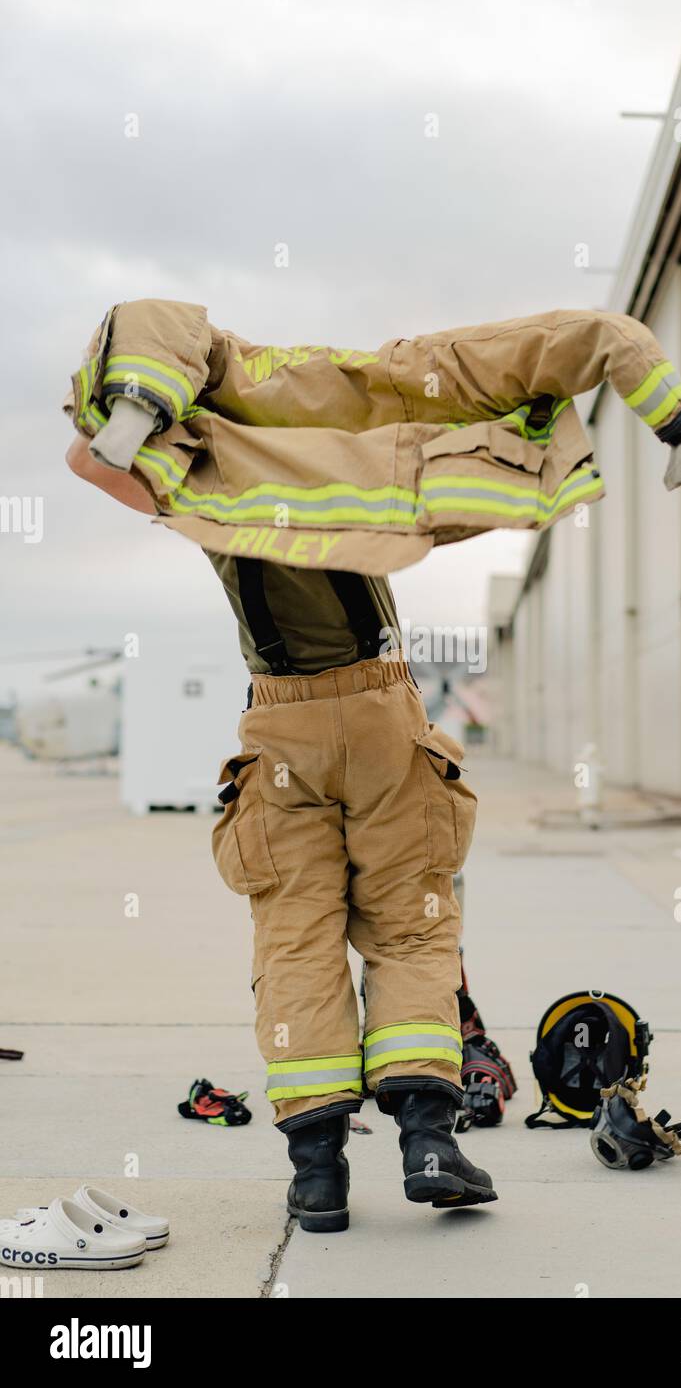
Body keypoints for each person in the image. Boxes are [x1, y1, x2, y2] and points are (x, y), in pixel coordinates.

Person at [66, 435, 496, 1232]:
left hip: (282, 726)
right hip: (378, 716)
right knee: (409, 930)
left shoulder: (210, 496)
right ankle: (430, 1144)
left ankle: (318, 1177)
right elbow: (464, 498)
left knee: (296, 937)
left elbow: (85, 461)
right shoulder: (356, 484)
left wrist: (143, 414)